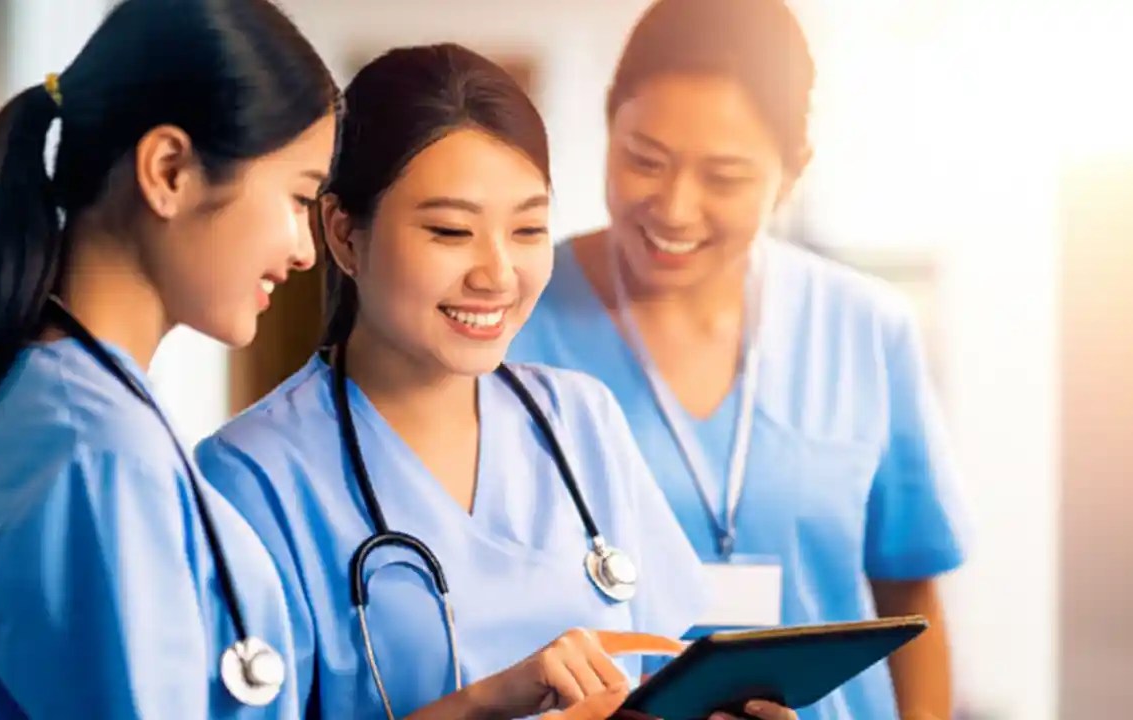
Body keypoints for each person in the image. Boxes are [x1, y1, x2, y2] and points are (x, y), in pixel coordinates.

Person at [196, 43, 796, 720]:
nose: (497, 274)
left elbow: (663, 677)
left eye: (529, 229)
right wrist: (491, 702)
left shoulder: (580, 421)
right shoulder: (251, 475)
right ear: (343, 234)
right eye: (451, 231)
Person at [507, 1, 970, 718]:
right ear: (607, 126)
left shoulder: (865, 329)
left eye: (723, 177)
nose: (675, 208)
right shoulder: (514, 325)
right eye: (643, 160)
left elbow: (910, 596)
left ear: (791, 173)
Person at [0, 1, 340, 716]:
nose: (304, 250)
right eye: (298, 198)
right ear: (168, 170)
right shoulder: (97, 453)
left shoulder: (82, 409)